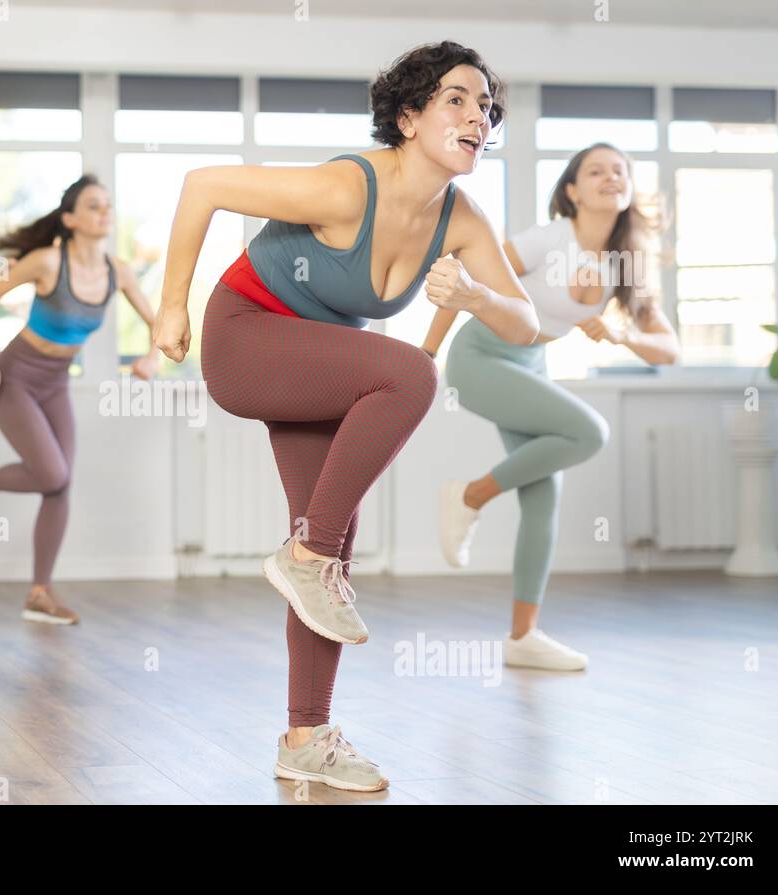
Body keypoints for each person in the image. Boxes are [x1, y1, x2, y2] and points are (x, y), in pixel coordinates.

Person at [153, 41, 539, 792]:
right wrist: (171, 306)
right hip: (246, 336)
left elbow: (524, 321)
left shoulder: (461, 219)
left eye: (486, 107)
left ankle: (307, 735)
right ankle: (305, 560)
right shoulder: (347, 189)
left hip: (317, 361)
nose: (477, 116)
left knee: (331, 542)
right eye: (456, 99)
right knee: (410, 372)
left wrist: (476, 299)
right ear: (408, 116)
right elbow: (202, 186)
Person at [431, 141, 678, 671]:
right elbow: (463, 279)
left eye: (620, 169)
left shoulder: (626, 262)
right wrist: (427, 354)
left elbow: (671, 349)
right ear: (573, 190)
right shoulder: (550, 237)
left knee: (545, 494)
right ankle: (469, 496)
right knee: (588, 432)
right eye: (596, 170)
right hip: (481, 355)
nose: (611, 176)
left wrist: (622, 334)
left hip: (530, 365)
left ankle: (522, 637)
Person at [0, 174, 160, 625]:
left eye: (108, 206)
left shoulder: (117, 271)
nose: (105, 213)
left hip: (56, 382)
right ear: (71, 218)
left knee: (60, 484)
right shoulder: (45, 261)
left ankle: (40, 593)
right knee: (52, 472)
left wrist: (152, 357)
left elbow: (160, 323)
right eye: (95, 206)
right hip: (14, 378)